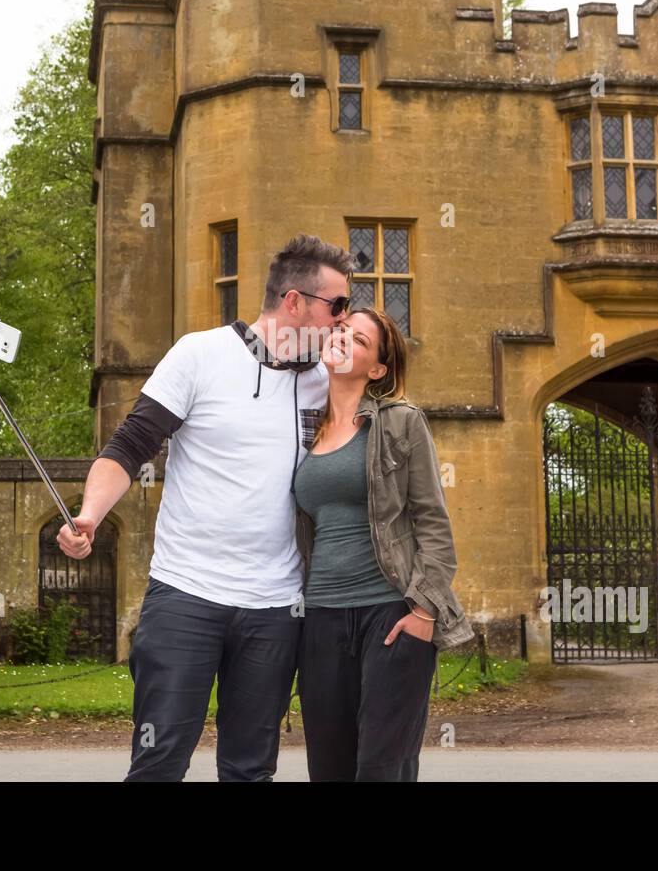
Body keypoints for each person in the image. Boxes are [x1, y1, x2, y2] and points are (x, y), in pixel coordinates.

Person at [56, 234, 354, 781]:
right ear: (294, 302)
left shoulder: (324, 382)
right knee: (159, 759)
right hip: (187, 594)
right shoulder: (200, 354)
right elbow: (128, 446)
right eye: (337, 306)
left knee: (249, 769)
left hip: (276, 607)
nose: (344, 319)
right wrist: (90, 515)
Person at [293, 306, 474, 781]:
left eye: (358, 339)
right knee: (329, 768)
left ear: (376, 369)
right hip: (321, 620)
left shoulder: (400, 422)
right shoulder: (301, 428)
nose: (342, 338)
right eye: (340, 330)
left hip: (391, 613)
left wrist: (424, 612)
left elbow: (433, 523)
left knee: (380, 767)